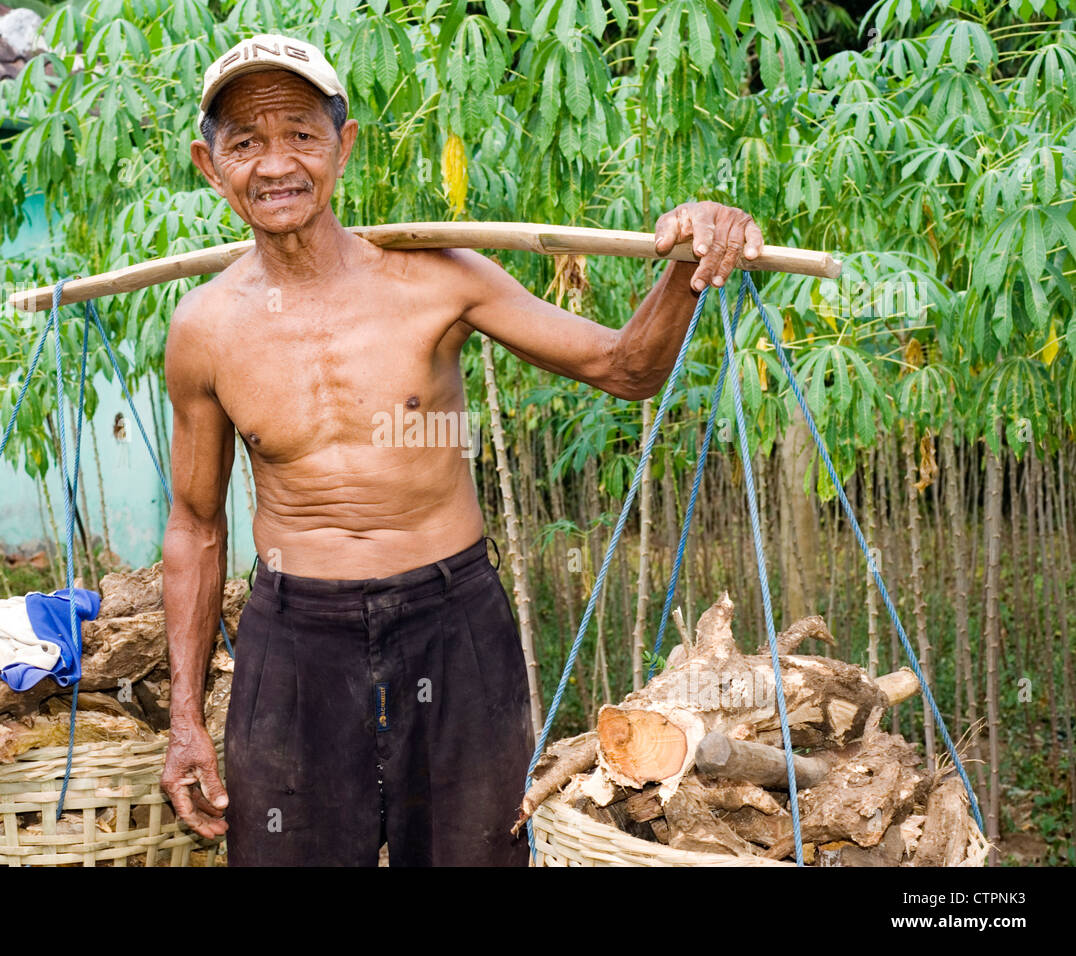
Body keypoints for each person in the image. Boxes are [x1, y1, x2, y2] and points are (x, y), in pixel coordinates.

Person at [159, 32, 764, 866]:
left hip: (450, 623)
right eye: (246, 142)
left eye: (300, 134)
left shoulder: (437, 278)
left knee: (472, 856)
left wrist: (690, 264)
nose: (275, 164)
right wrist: (184, 721)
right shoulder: (203, 329)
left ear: (344, 143)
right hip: (294, 640)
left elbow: (623, 369)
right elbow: (194, 526)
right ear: (208, 162)